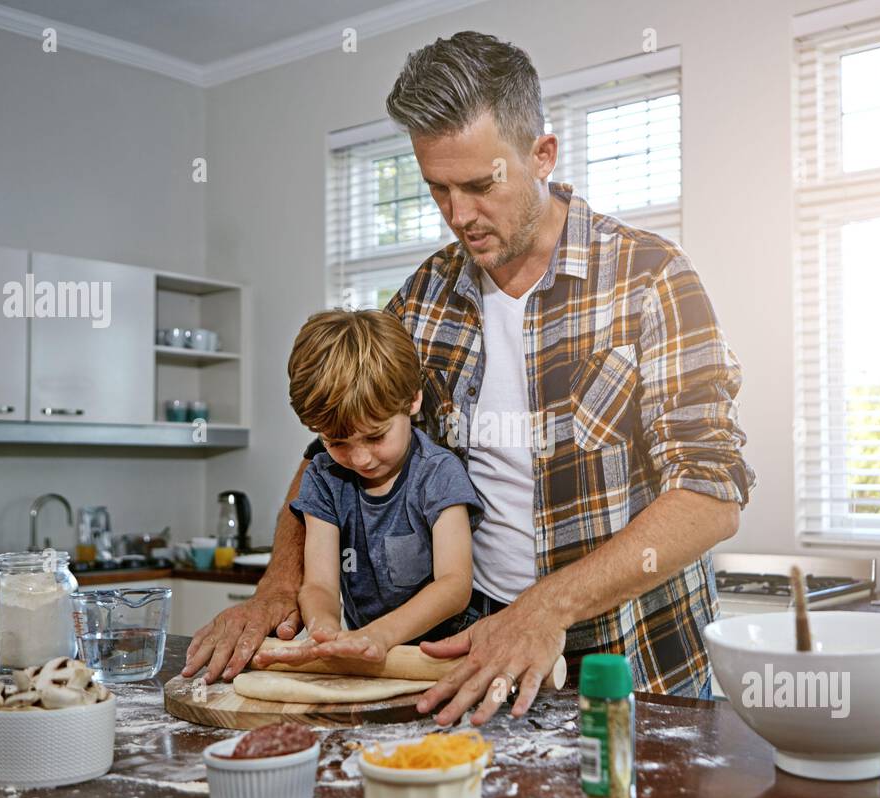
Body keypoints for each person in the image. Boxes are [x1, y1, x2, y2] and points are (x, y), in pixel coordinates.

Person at [184, 31, 754, 727]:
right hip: (471, 663)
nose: (458, 216)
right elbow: (327, 458)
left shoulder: (650, 280)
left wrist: (544, 610)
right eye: (437, 188)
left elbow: (709, 491)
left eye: (482, 185)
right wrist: (279, 585)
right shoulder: (423, 299)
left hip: (637, 666)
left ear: (542, 154)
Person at [256, 308, 483, 665]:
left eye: (375, 436)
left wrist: (381, 635)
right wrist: (324, 630)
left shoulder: (438, 474)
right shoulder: (323, 478)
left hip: (443, 656)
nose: (360, 459)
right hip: (366, 649)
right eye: (337, 442)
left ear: (412, 399)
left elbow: (454, 585)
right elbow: (320, 585)